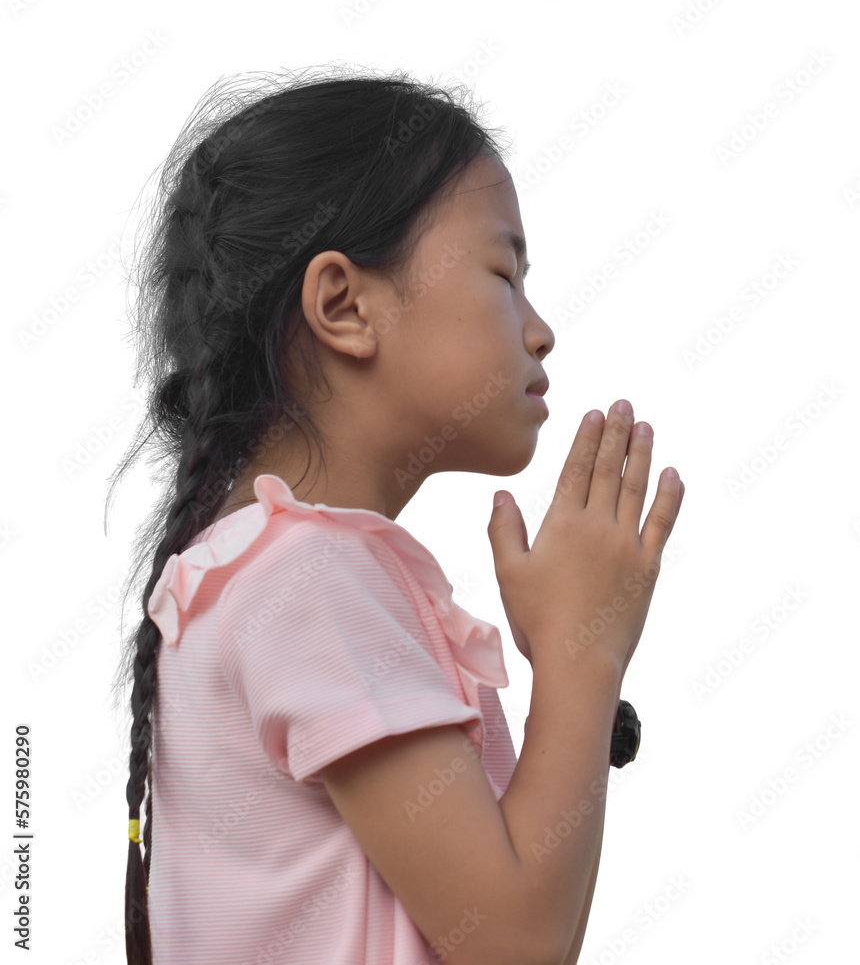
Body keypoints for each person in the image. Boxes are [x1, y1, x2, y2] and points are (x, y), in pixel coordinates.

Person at [109, 64, 685, 965]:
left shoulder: (262, 570)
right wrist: (582, 654)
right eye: (504, 271)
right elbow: (514, 944)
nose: (540, 331)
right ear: (343, 305)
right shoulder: (311, 578)